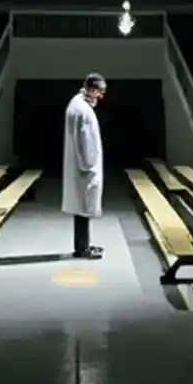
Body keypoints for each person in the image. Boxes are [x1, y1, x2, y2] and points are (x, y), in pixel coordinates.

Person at [62, 73, 106, 259]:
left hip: (81, 168)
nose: (101, 97)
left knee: (82, 210)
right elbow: (84, 142)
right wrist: (89, 166)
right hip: (85, 169)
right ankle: (82, 249)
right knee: (83, 209)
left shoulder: (77, 104)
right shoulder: (83, 110)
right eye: (100, 92)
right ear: (93, 89)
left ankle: (84, 245)